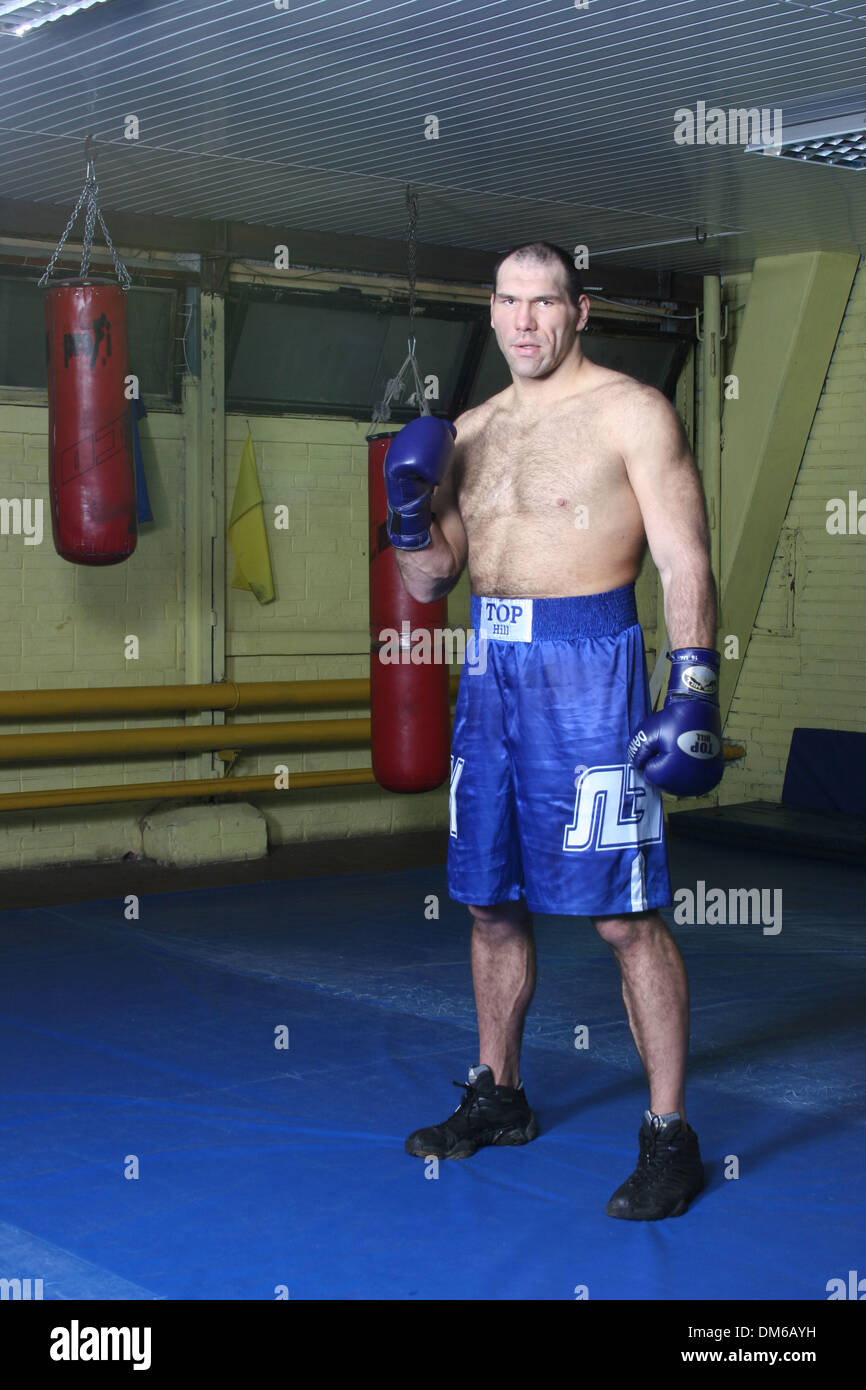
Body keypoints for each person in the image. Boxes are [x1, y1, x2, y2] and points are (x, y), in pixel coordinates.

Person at [382, 241, 723, 1220]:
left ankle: (668, 1135)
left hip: (590, 670)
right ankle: (499, 1094)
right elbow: (430, 581)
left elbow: (683, 558)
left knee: (620, 913)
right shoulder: (466, 432)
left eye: (545, 302)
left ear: (578, 312)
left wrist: (690, 684)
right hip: (490, 670)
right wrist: (408, 517)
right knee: (488, 901)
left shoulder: (629, 412)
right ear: (488, 311)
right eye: (509, 302)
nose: (525, 320)